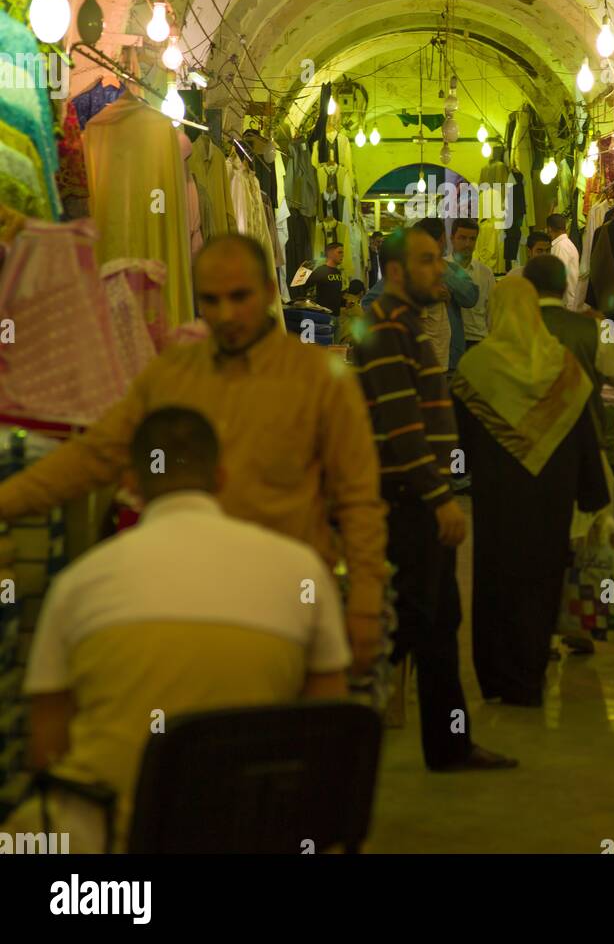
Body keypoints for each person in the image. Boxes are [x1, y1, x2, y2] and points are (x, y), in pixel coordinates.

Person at [0, 234, 387, 676]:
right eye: (211, 300)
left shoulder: (320, 380)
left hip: (285, 609)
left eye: (239, 297)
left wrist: (365, 603)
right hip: (187, 604)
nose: (225, 315)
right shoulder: (173, 374)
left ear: (267, 290)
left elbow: (358, 498)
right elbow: (92, 456)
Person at [11, 407, 350, 851]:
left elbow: (47, 750)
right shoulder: (302, 571)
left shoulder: (79, 583)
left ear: (129, 484)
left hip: (115, 843)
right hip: (257, 833)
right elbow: (327, 733)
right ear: (222, 478)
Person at [353, 226, 516, 773]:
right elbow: (402, 425)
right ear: (396, 272)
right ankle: (337, 741)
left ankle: (447, 744)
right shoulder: (386, 331)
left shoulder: (408, 325)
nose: (440, 271)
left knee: (435, 623)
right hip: (408, 502)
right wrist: (439, 496)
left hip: (416, 498)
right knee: (409, 625)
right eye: (427, 262)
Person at [452, 276, 609, 707]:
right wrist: (592, 494)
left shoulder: (475, 366)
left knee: (494, 582)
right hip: (551, 497)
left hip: (496, 499)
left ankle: (496, 679)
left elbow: (459, 445)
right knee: (542, 583)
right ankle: (528, 679)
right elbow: (582, 434)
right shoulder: (560, 364)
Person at [523, 254, 614, 441]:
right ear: (564, 286)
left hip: (525, 442)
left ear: (527, 287)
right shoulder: (596, 327)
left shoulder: (511, 329)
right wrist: (606, 324)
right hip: (583, 440)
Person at [362, 216, 477, 372]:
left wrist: (444, 275)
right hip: (416, 358)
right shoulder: (409, 273)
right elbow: (368, 302)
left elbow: (471, 297)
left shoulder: (452, 270)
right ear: (443, 240)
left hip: (450, 358)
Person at [451, 217, 494, 349]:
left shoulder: (485, 273)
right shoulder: (442, 268)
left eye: (472, 239)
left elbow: (492, 312)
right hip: (451, 341)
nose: (467, 244)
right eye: (462, 238)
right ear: (452, 238)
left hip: (478, 340)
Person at [292, 239, 345, 316]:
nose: (342, 255)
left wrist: (344, 302)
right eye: (339, 252)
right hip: (324, 315)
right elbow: (302, 286)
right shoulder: (321, 271)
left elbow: (335, 295)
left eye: (342, 252)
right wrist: (303, 271)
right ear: (330, 253)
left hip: (336, 315)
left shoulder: (338, 272)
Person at [547, 213, 580, 310]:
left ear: (549, 229)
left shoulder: (561, 246)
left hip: (567, 302)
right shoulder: (566, 244)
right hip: (570, 299)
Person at [336, 278, 367, 348]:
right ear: (361, 293)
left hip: (339, 337)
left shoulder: (343, 299)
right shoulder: (353, 304)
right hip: (347, 340)